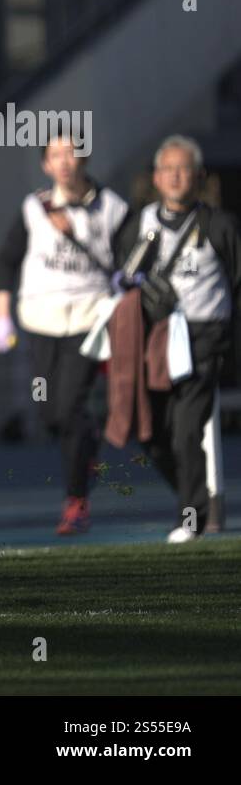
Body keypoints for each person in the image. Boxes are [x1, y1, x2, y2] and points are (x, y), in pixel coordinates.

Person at [0, 135, 129, 535]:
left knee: (69, 406)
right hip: (41, 319)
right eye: (55, 155)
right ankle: (89, 440)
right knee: (50, 411)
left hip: (89, 316)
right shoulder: (34, 207)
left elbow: (128, 265)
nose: (64, 161)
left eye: (71, 153)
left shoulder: (112, 207)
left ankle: (76, 501)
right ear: (45, 165)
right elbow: (6, 261)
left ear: (85, 158)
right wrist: (2, 318)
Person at [112, 135, 240, 542]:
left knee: (187, 429)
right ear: (155, 177)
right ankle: (191, 496)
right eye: (167, 169)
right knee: (150, 432)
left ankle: (192, 517)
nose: (175, 177)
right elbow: (119, 276)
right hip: (155, 338)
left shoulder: (220, 224)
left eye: (183, 169)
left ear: (199, 176)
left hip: (204, 337)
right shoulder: (140, 223)